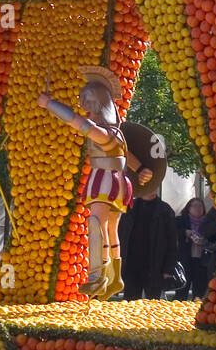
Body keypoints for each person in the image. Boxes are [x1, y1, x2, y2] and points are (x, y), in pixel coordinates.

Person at [38, 66, 153, 300]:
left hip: (105, 181)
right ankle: (115, 277)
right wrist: (140, 168)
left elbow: (79, 124)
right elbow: (124, 154)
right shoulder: (115, 133)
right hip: (116, 183)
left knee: (95, 223)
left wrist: (50, 104)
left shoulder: (104, 132)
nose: (84, 107)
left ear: (100, 104)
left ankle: (97, 275)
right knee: (110, 229)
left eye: (88, 102)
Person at [119, 190, 178, 300]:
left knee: (153, 306)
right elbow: (120, 235)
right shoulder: (129, 207)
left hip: (155, 266)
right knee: (129, 304)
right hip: (131, 265)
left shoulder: (165, 210)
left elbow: (172, 242)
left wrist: (168, 269)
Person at [176, 198, 209, 299]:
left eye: (200, 206)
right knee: (182, 289)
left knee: (200, 290)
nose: (198, 208)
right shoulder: (181, 220)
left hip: (202, 260)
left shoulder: (208, 222)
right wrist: (185, 233)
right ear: (188, 208)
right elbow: (172, 232)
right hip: (186, 258)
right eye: (195, 206)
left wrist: (205, 240)